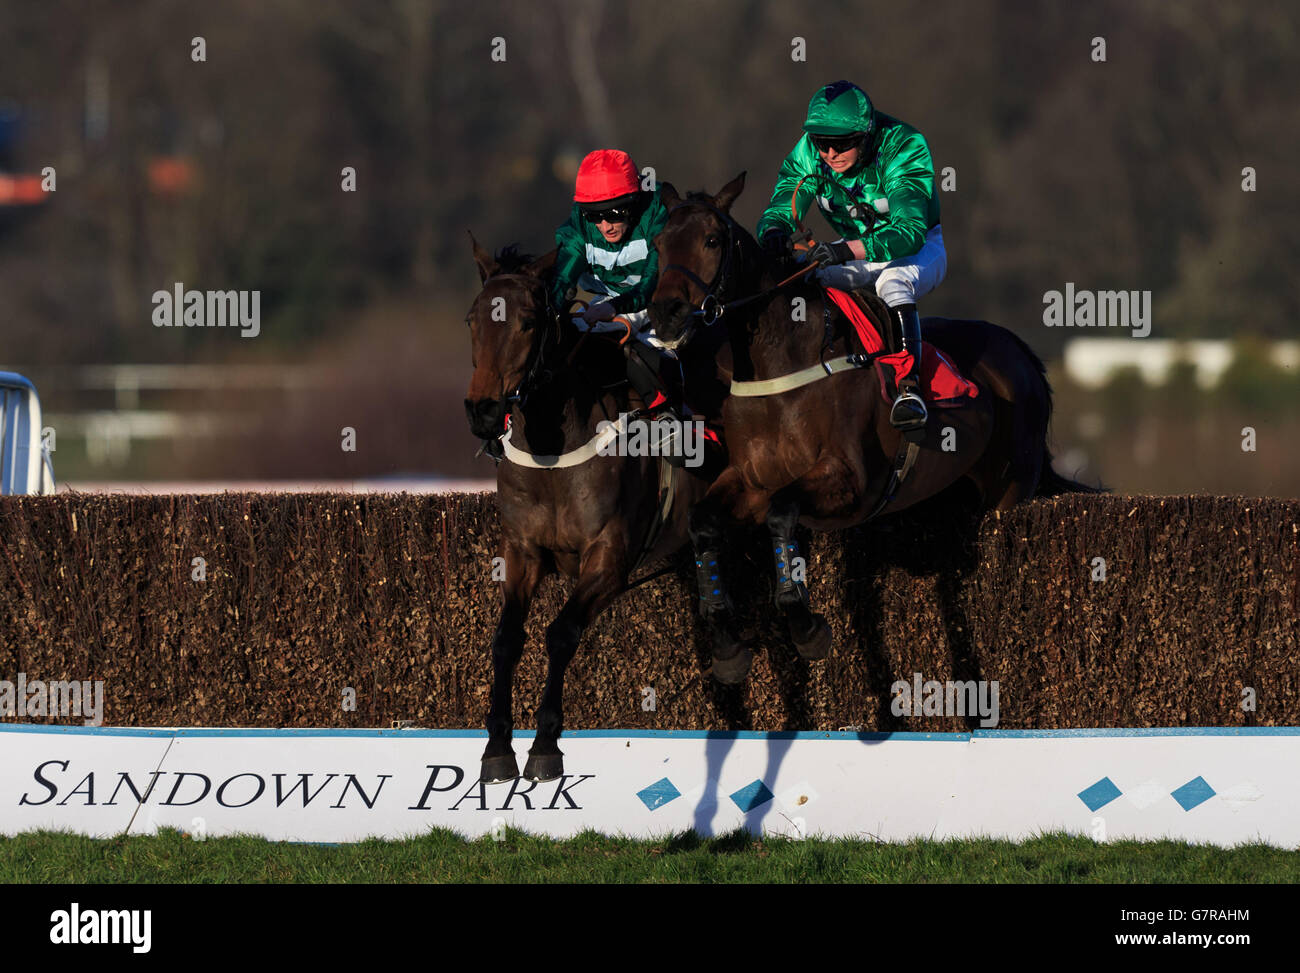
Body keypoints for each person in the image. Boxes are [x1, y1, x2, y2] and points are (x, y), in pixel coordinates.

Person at [756, 81, 945, 434]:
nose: (828, 152)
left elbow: (908, 233)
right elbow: (783, 202)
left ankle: (909, 387)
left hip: (918, 248)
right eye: (821, 142)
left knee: (893, 281)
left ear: (867, 134)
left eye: (841, 143)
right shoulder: (811, 150)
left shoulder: (903, 145)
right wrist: (773, 234)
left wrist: (842, 250)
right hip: (856, 247)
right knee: (804, 277)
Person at [551, 149, 685, 429]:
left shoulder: (656, 212)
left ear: (633, 202)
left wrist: (616, 310)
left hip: (660, 302)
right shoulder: (580, 227)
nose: (604, 225)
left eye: (614, 213)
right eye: (594, 216)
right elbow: (562, 280)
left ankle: (671, 415)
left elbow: (651, 280)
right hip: (605, 304)